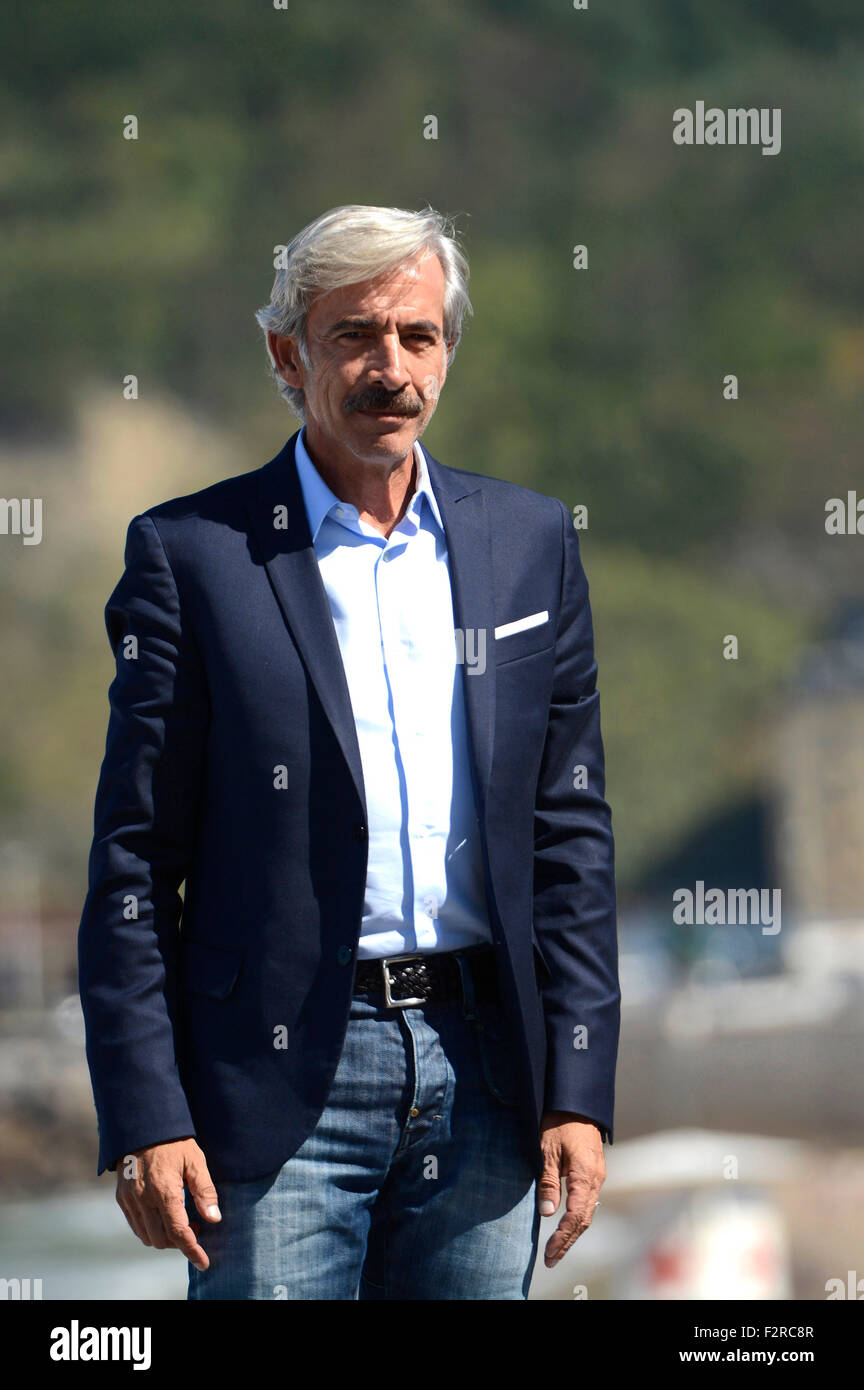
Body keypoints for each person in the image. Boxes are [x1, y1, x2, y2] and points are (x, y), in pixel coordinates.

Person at [78, 203, 620, 1300]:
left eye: (418, 337)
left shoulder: (530, 546)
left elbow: (569, 832)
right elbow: (135, 861)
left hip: (487, 1077)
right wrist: (147, 1110)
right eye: (355, 336)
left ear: (448, 352)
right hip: (271, 1089)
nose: (392, 368)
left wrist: (579, 1087)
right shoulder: (192, 557)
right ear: (288, 352)